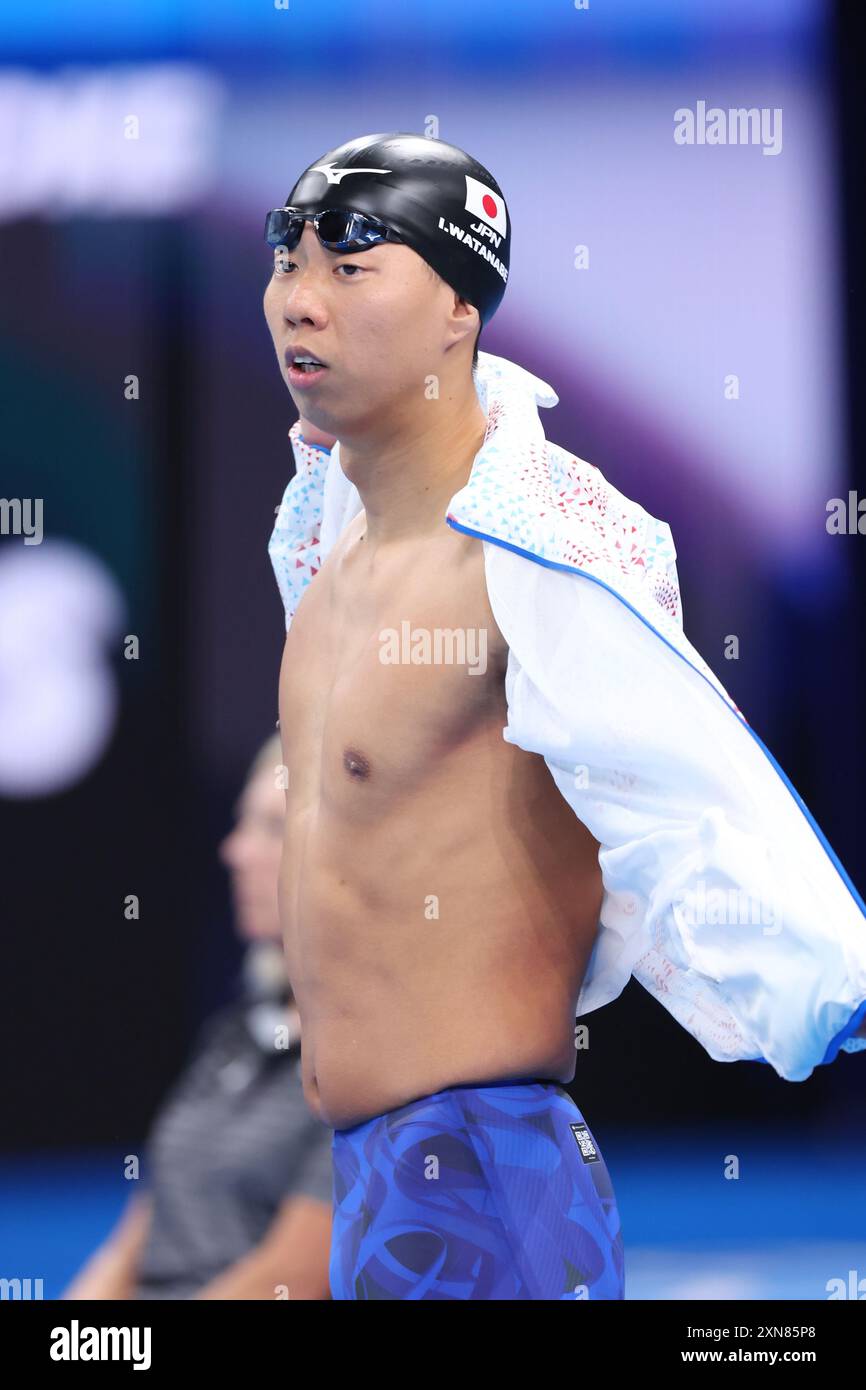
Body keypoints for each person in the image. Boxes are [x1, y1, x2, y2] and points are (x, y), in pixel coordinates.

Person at [264, 132, 866, 1301]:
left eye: (350, 266)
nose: (299, 298)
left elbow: (690, 778)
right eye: (287, 259)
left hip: (487, 1181)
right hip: (374, 1179)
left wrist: (835, 987)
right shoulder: (322, 553)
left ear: (458, 308)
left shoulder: (531, 544)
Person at [62, 734, 333, 1300]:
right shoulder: (231, 1035)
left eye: (272, 828)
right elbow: (133, 1243)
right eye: (243, 823)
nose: (235, 851)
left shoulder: (366, 1067)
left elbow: (294, 1279)